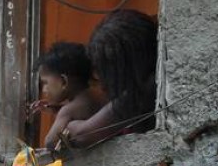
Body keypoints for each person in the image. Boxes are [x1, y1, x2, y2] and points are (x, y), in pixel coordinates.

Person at [63, 8, 159, 148]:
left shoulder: (143, 90)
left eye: (105, 70)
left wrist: (68, 119)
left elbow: (82, 135)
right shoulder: (151, 81)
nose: (103, 83)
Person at [28, 42, 100, 150]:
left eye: (45, 83)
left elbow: (50, 142)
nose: (44, 90)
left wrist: (62, 115)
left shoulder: (68, 110)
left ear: (64, 82)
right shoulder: (94, 96)